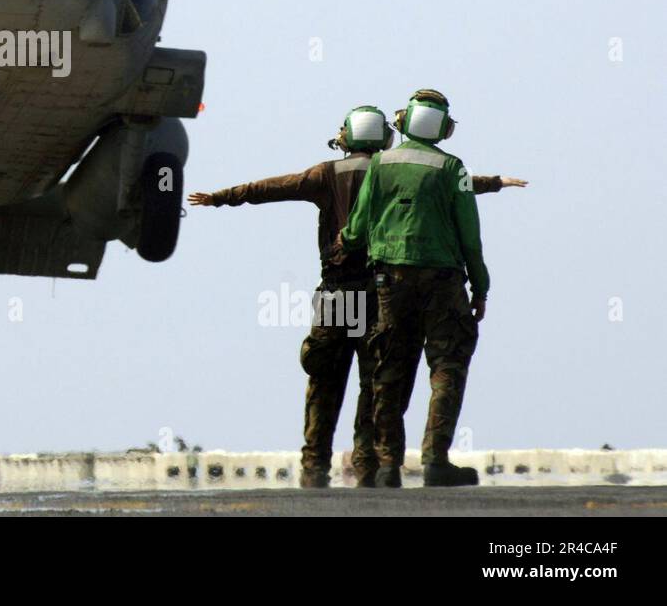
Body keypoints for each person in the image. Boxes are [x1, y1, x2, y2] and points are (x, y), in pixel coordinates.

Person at [189, 105, 524, 488]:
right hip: (379, 290)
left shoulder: (325, 174)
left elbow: (271, 189)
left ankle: (314, 467)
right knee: (375, 382)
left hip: (339, 292)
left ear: (346, 136)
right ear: (383, 136)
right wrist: (496, 182)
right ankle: (370, 467)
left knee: (324, 378)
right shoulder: (395, 166)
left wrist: (221, 197)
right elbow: (455, 184)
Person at [337, 89, 495, 488]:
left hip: (390, 280)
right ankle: (435, 461)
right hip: (444, 282)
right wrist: (481, 286)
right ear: (443, 127)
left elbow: (356, 228)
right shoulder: (454, 168)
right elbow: (470, 237)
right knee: (447, 366)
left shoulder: (381, 164)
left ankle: (388, 464)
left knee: (389, 368)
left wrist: (345, 240)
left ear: (404, 122)